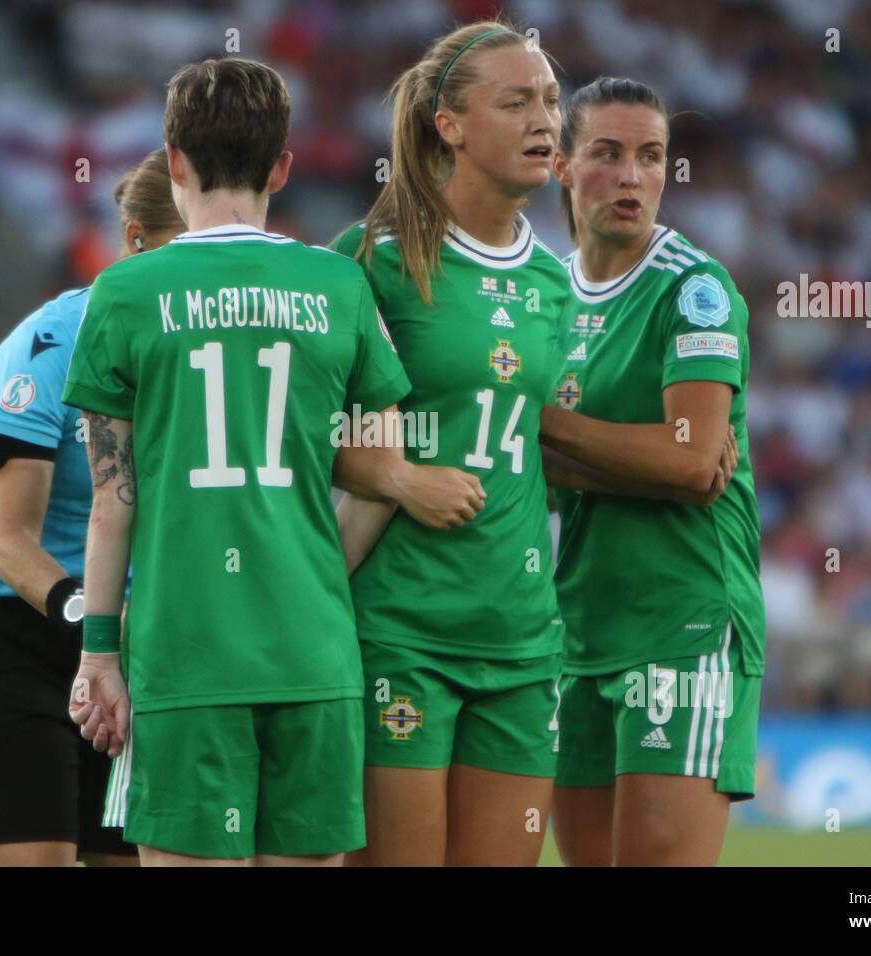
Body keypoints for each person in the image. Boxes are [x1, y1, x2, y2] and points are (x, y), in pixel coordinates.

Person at [63, 56, 481, 867]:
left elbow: (116, 500)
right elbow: (384, 479)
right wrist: (314, 570)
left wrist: (100, 655)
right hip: (314, 651)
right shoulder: (338, 286)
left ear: (173, 161)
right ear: (283, 167)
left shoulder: (124, 292)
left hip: (186, 653)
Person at [331, 20, 575, 867]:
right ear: (451, 126)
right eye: (516, 102)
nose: (546, 119)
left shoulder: (553, 280)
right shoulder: (371, 263)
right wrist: (400, 476)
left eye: (549, 99)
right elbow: (298, 442)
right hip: (401, 626)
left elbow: (541, 437)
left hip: (521, 635)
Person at [0, 148, 183, 866]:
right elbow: (8, 540)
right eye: (184, 248)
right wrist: (96, 622)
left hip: (134, 638)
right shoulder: (47, 345)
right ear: (133, 241)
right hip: (13, 632)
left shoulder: (205, 355)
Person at [541, 76, 763, 866]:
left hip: (683, 623)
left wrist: (544, 428)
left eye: (651, 156)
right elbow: (673, 466)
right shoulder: (543, 295)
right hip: (575, 626)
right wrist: (652, 463)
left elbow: (695, 459)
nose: (633, 176)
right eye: (607, 154)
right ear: (561, 166)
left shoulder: (694, 290)